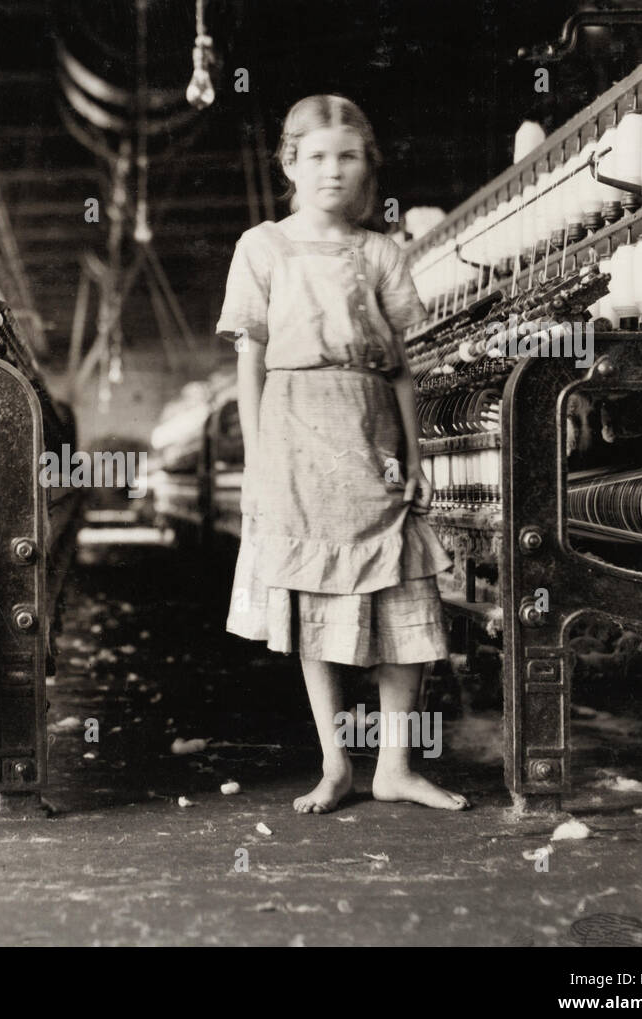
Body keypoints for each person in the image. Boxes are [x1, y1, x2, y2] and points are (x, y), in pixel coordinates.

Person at [219, 95, 468, 814]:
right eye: (318, 156)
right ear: (290, 162)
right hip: (295, 434)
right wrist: (259, 459)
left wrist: (415, 460)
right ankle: (335, 764)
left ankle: (394, 764)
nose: (333, 172)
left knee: (403, 593)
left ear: (368, 167)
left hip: (372, 436)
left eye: (349, 157)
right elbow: (251, 361)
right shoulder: (261, 247)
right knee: (314, 600)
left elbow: (400, 370)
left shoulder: (381, 251)